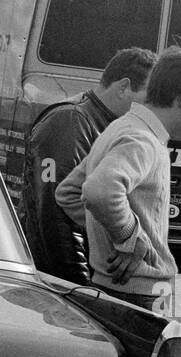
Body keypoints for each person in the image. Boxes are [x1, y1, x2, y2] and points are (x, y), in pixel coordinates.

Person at [55, 47, 181, 309]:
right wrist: (129, 238)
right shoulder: (143, 140)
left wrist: (112, 237)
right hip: (139, 295)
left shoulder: (120, 128)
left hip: (110, 288)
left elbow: (68, 193)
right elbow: (99, 190)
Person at [20, 47, 156, 283]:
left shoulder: (110, 128)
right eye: (149, 101)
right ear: (123, 87)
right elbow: (53, 217)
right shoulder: (70, 122)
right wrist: (79, 288)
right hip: (61, 286)